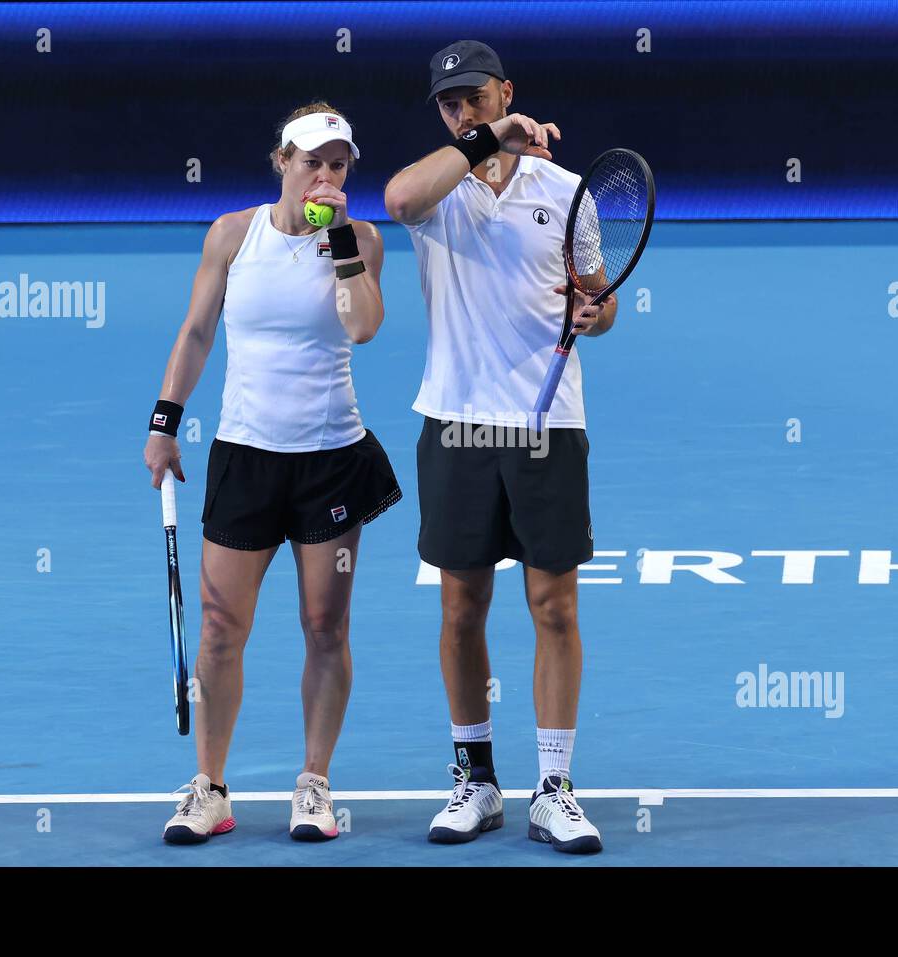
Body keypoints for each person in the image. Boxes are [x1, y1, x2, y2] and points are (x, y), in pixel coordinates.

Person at [146, 103, 400, 844]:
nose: (325, 174)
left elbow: (363, 325)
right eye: (312, 160)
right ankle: (211, 787)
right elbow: (196, 333)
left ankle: (314, 784)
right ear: (282, 161)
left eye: (339, 164)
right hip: (245, 458)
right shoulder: (232, 235)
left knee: (326, 626)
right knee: (222, 626)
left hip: (331, 460)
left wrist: (341, 247)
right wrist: (164, 422)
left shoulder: (363, 240)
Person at [384, 40, 616, 854]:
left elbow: (599, 296)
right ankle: (475, 780)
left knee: (555, 607)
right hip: (455, 422)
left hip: (548, 424)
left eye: (475, 98)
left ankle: (554, 787)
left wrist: (598, 313)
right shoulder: (440, 190)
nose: (462, 112)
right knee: (460, 609)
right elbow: (397, 195)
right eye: (449, 104)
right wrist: (484, 142)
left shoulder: (568, 191)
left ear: (507, 89)